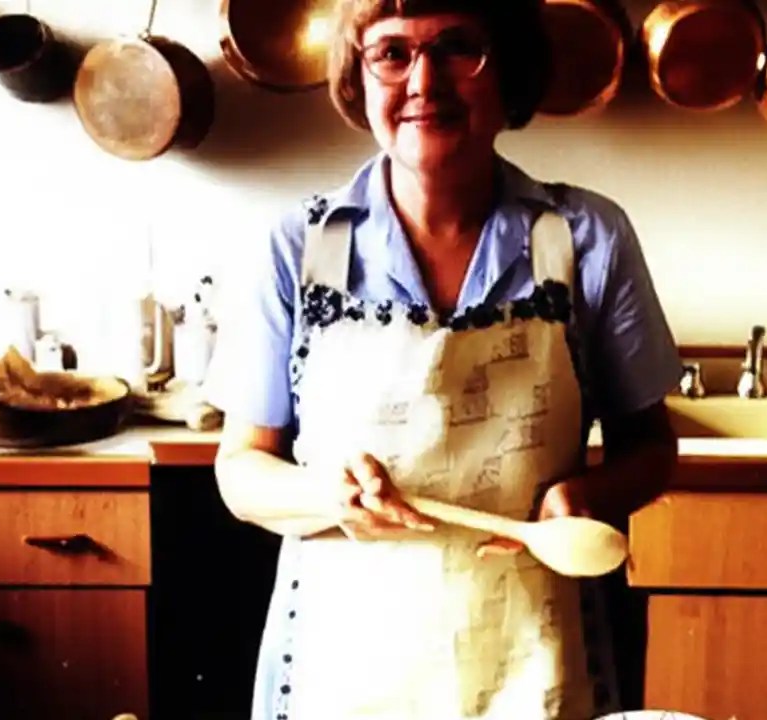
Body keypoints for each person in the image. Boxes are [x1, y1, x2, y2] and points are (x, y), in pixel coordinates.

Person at [203, 0, 682, 717]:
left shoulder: (585, 238)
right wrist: (330, 495)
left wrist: (589, 497)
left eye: (459, 47)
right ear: (359, 80)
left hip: (533, 658)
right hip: (346, 667)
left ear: (508, 72)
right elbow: (240, 473)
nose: (425, 81)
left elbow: (652, 448)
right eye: (392, 53)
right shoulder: (300, 248)